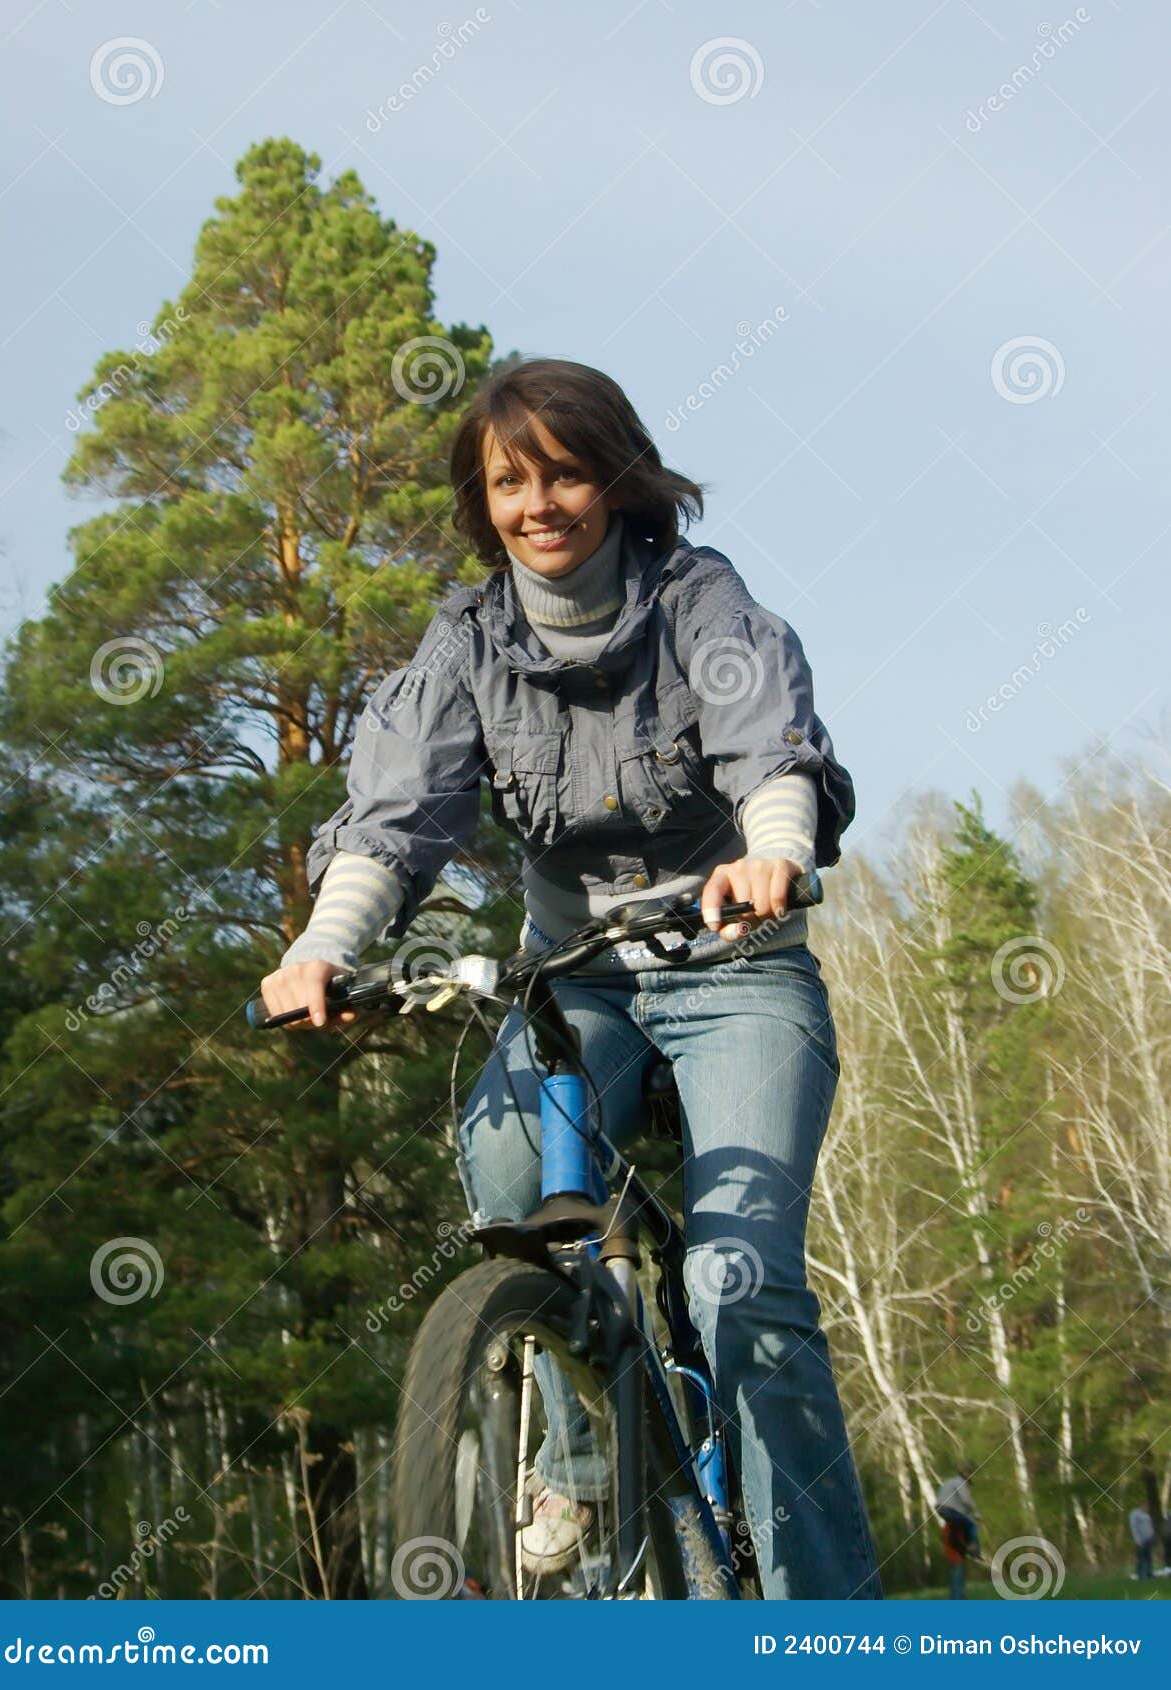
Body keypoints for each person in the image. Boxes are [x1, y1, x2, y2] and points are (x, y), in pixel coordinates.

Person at [259, 357, 882, 1601]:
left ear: (618, 479)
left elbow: (769, 742)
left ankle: (824, 1621)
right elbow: (396, 815)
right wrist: (323, 944)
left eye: (564, 471)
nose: (538, 501)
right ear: (480, 501)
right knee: (506, 1172)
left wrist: (772, 854)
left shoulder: (697, 602)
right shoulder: (468, 643)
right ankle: (586, 1456)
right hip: (579, 982)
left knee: (737, 1280)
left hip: (733, 968)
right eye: (508, 480)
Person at [936, 1471, 981, 1560]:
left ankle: (953, 1545)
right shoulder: (961, 1483)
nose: (969, 1488)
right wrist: (976, 1513)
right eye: (969, 1485)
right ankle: (973, 1549)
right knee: (972, 1525)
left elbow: (955, 1501)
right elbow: (965, 1500)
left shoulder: (949, 1481)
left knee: (956, 1527)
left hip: (940, 1509)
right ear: (966, 1481)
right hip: (950, 1510)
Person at [1129, 1503, 1155, 1581]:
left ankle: (1149, 1574)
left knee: (1149, 1557)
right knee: (1141, 1558)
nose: (1147, 1508)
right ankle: (1141, 1575)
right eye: (1145, 1506)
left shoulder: (1146, 1515)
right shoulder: (1135, 1514)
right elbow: (1133, 1527)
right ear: (1141, 1505)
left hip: (1149, 1539)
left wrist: (1152, 1535)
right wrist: (1137, 1540)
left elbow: (1150, 1526)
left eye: (1147, 1507)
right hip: (1141, 1540)